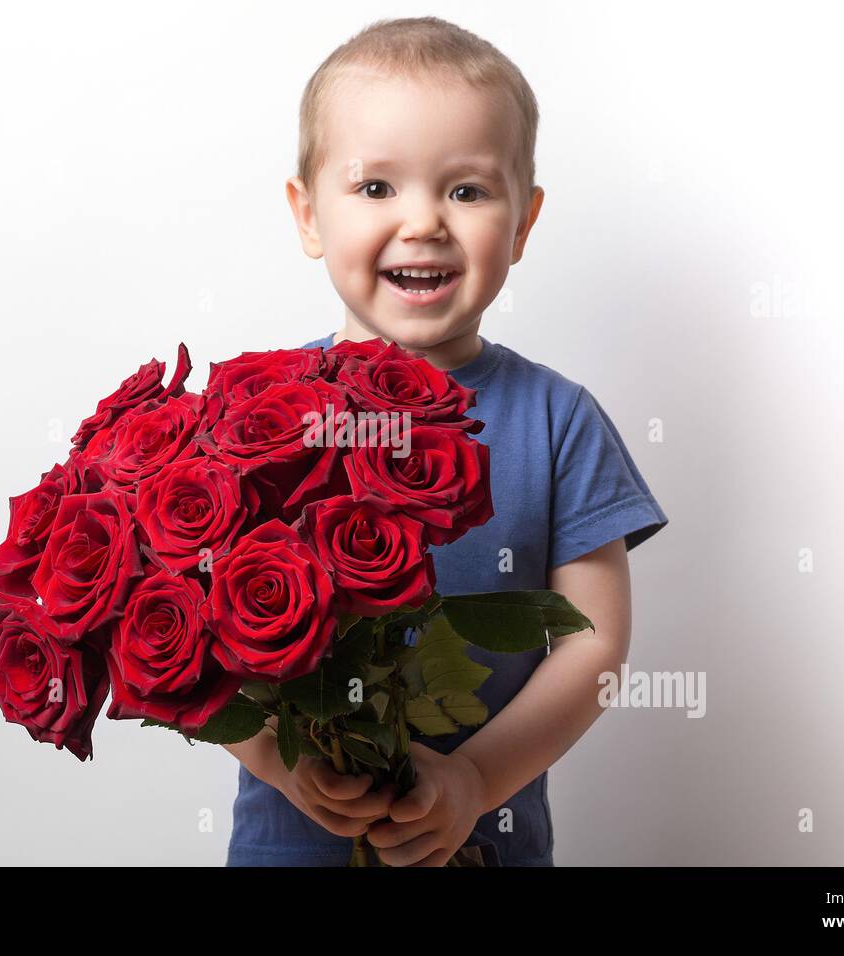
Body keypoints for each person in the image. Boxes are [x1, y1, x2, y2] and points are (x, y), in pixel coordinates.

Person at [222, 16, 668, 866]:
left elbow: (596, 644)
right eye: (377, 188)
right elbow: (201, 637)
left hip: (488, 841)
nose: (424, 221)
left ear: (524, 223)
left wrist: (471, 782)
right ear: (307, 214)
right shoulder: (259, 417)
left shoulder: (557, 418)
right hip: (292, 848)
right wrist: (283, 763)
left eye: (466, 191)